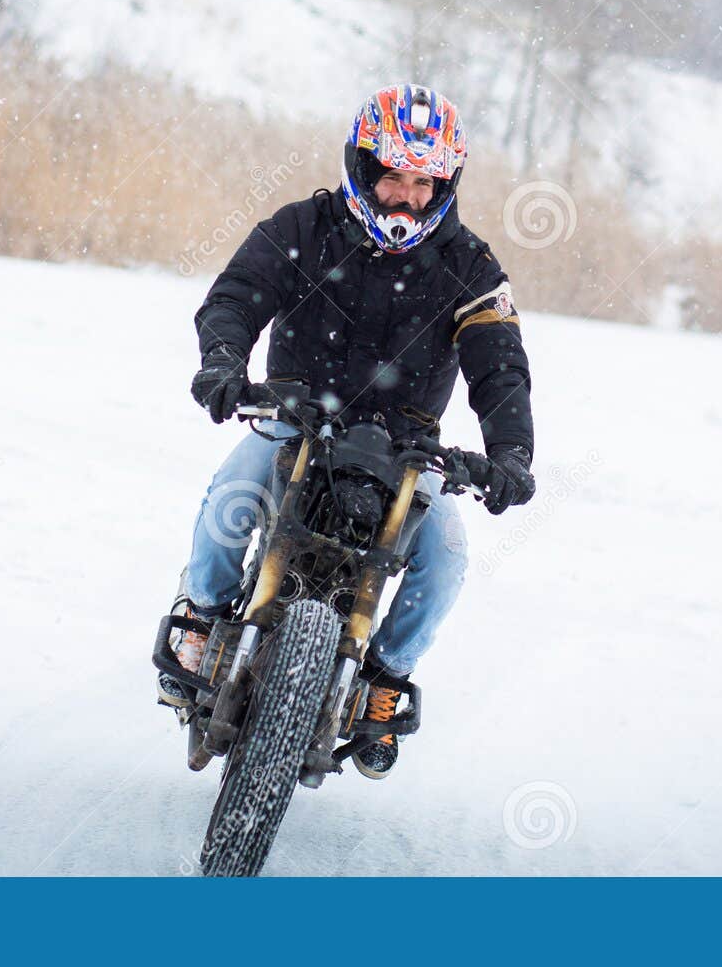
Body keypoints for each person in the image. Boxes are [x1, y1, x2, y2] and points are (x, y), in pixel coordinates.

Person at [159, 83, 536, 777]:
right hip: (296, 420)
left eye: (424, 181)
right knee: (232, 495)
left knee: (447, 553)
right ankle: (204, 619)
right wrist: (222, 363)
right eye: (393, 174)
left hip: (407, 452)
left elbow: (501, 367)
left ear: (446, 182)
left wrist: (509, 454)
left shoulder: (473, 268)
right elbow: (238, 294)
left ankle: (387, 677)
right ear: (362, 167)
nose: (406, 195)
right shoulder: (304, 225)